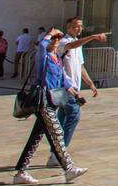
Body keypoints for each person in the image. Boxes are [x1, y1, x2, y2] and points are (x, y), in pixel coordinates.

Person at [13, 30, 88, 184]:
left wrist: (76, 95)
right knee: (57, 133)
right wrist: (49, 33)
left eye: (58, 39)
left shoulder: (57, 60)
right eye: (53, 39)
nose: (55, 41)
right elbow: (41, 46)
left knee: (36, 137)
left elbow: (65, 82)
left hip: (53, 101)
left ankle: (21, 172)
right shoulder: (44, 57)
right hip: (44, 101)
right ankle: (69, 169)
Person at [43, 17, 104, 167]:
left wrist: (90, 84)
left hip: (74, 88)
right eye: (76, 26)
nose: (79, 29)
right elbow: (71, 45)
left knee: (63, 120)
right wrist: (92, 37)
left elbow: (80, 66)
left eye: (81, 27)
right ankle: (59, 153)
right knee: (74, 116)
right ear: (69, 28)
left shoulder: (78, 46)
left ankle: (54, 154)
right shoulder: (63, 42)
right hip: (65, 87)